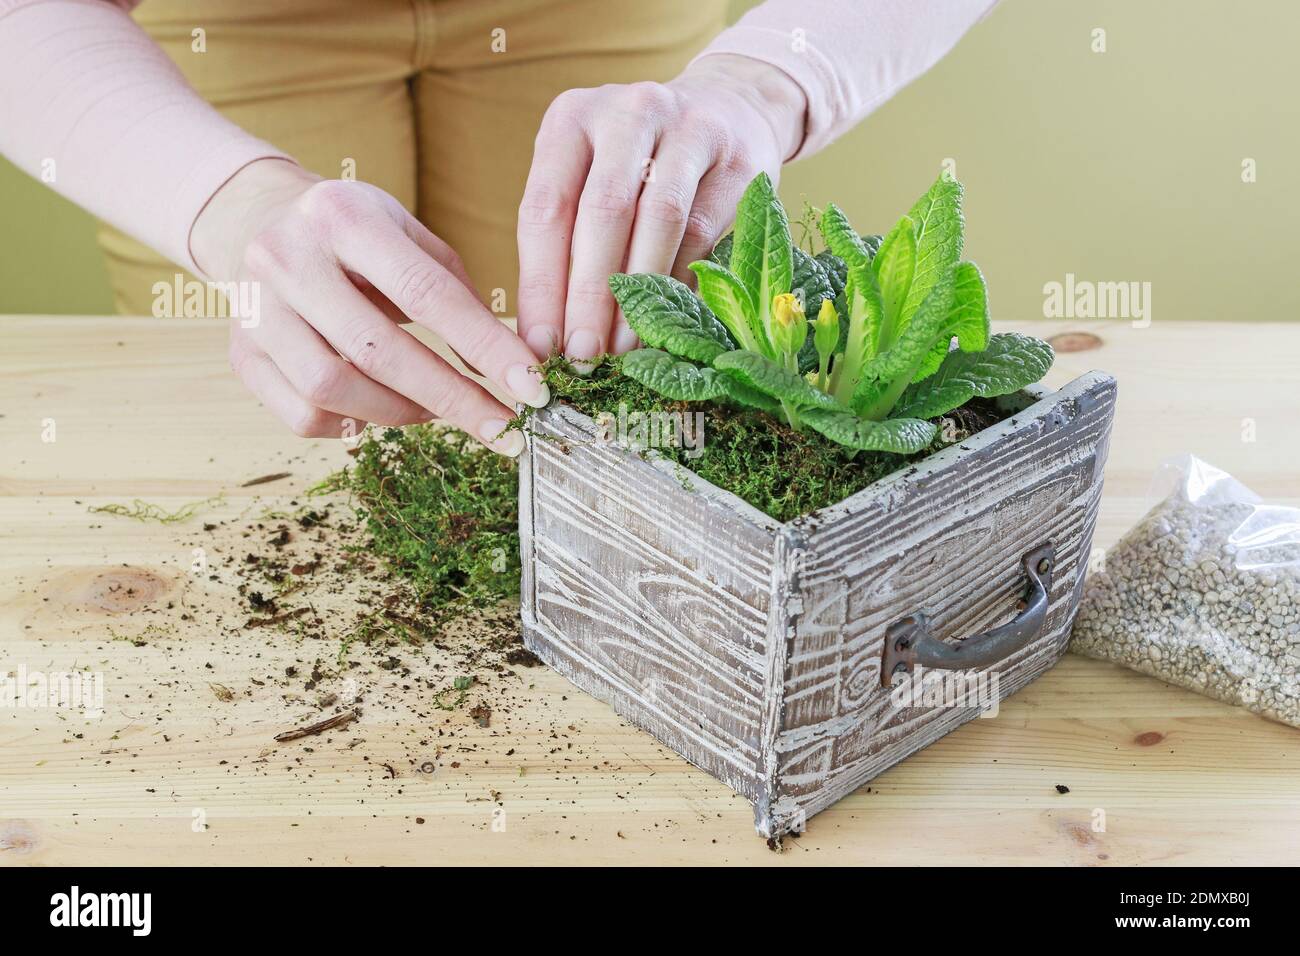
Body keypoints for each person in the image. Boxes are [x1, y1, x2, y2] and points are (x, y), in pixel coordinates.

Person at [0, 0, 996, 455]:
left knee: (607, 358)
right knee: (287, 405)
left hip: (594, 16)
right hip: (219, 24)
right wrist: (224, 200)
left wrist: (766, 81)